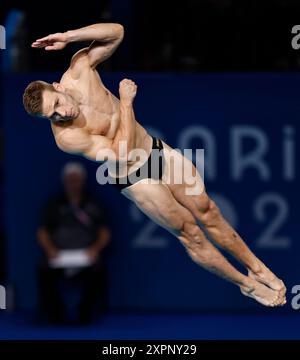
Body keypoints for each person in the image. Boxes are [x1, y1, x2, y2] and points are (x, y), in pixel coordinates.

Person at [23, 22, 286, 306]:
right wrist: (125, 103)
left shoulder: (80, 69)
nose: (62, 114)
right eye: (53, 116)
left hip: (154, 150)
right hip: (135, 178)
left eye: (58, 103)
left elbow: (117, 32)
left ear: (59, 86)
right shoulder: (67, 137)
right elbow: (121, 153)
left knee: (208, 211)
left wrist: (69, 37)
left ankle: (258, 269)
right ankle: (246, 284)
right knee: (191, 233)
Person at [37, 161, 111, 324]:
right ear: (64, 181)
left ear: (83, 181)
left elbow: (104, 232)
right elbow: (43, 231)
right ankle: (55, 314)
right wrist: (50, 249)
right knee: (43, 270)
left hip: (86, 253)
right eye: (70, 180)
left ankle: (86, 314)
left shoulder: (94, 203)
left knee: (97, 270)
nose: (73, 184)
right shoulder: (53, 204)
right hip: (58, 253)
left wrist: (95, 249)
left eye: (76, 180)